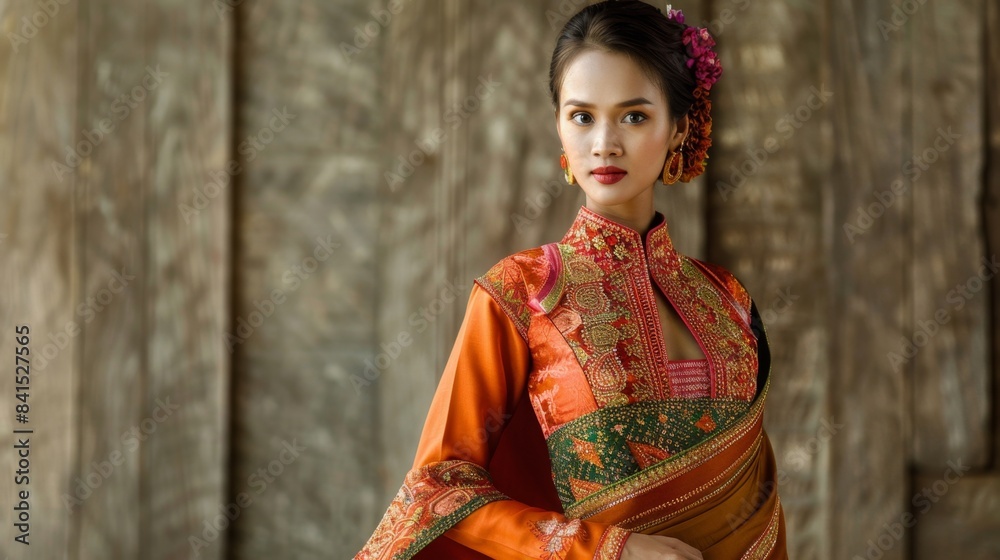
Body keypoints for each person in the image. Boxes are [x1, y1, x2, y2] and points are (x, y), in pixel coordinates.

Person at [355, 1, 787, 558]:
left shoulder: (727, 299)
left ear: (680, 125)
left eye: (634, 116)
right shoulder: (521, 292)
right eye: (582, 116)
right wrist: (608, 549)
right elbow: (437, 486)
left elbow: (760, 510)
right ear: (558, 124)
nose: (604, 143)